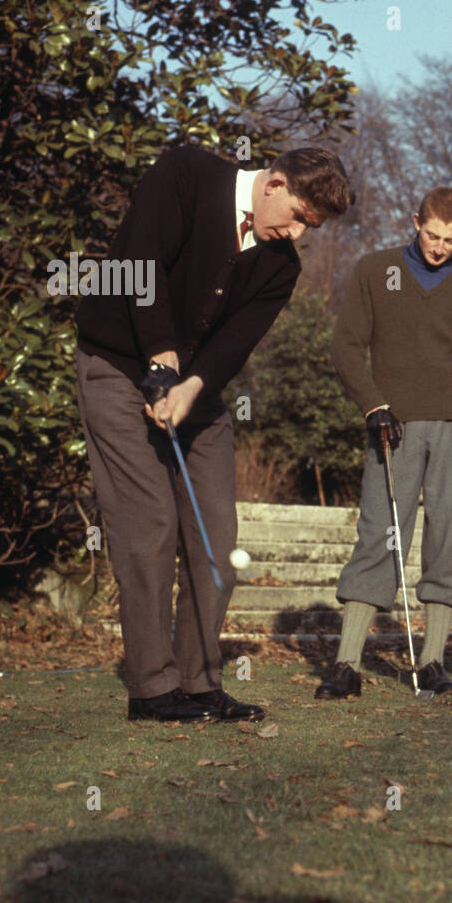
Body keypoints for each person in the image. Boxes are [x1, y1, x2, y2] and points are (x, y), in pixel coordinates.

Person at [76, 143, 352, 723]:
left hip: (196, 393)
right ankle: (152, 689)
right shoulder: (185, 173)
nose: (299, 234)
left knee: (218, 536)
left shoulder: (281, 266)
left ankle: (199, 684)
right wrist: (160, 359)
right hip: (118, 369)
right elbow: (140, 263)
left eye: (312, 228)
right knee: (149, 522)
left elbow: (233, 343)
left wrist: (190, 385)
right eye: (299, 216)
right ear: (274, 183)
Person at [317, 188, 452, 701]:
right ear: (415, 220)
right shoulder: (374, 271)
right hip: (391, 424)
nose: (439, 247)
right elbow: (346, 345)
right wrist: (373, 404)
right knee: (379, 531)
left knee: (450, 534)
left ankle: (434, 662)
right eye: (432, 235)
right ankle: (347, 664)